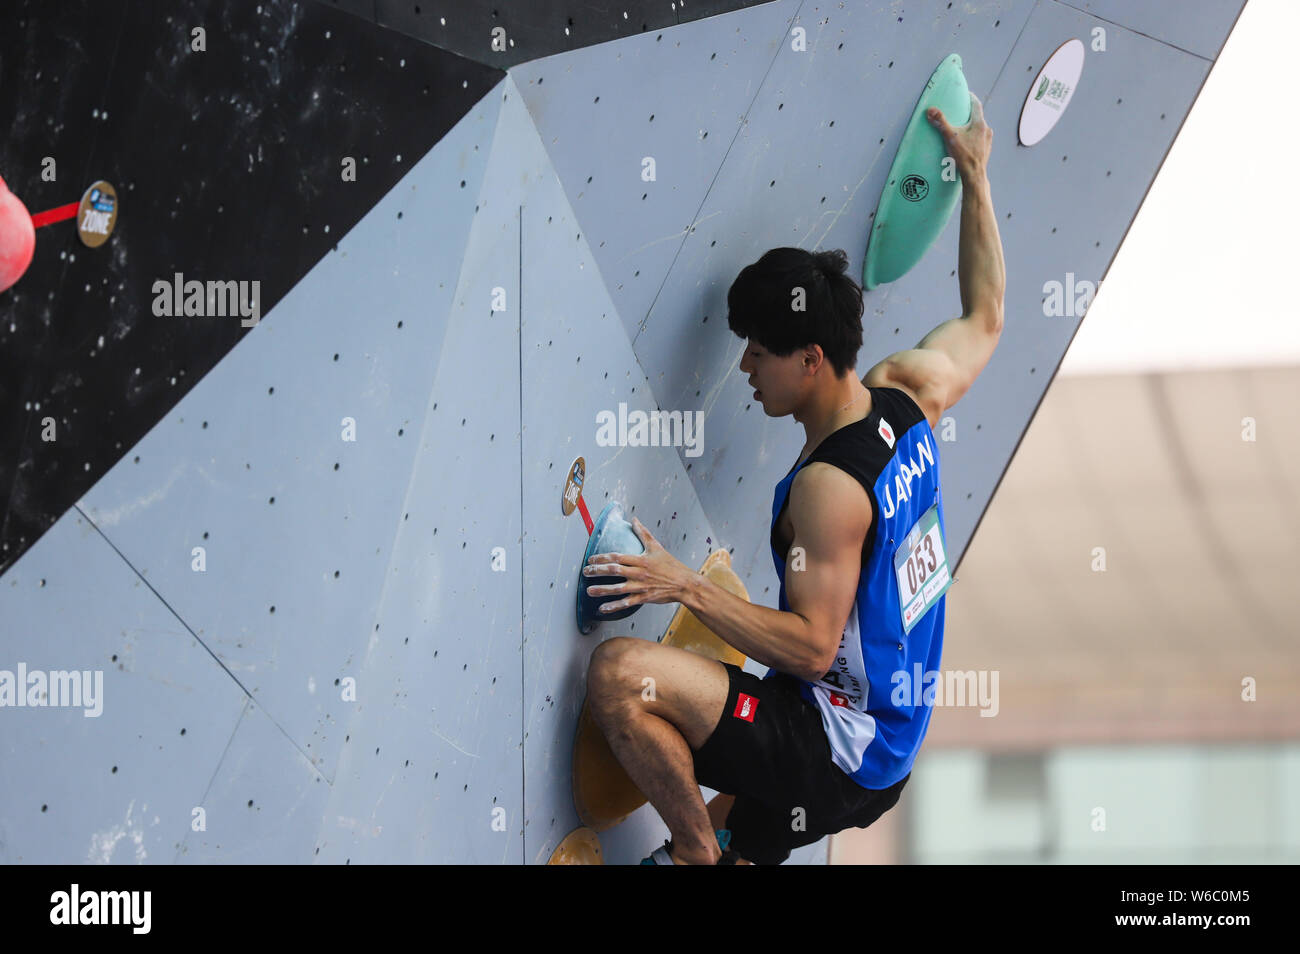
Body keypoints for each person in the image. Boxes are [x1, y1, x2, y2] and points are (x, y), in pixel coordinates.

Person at [583, 93, 1005, 864]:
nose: (745, 366)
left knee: (621, 679)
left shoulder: (829, 491)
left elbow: (811, 650)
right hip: (890, 741)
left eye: (759, 352)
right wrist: (973, 175)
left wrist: (684, 585)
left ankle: (692, 855)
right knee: (746, 821)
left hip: (836, 743)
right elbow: (985, 318)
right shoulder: (907, 394)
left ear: (811, 359)